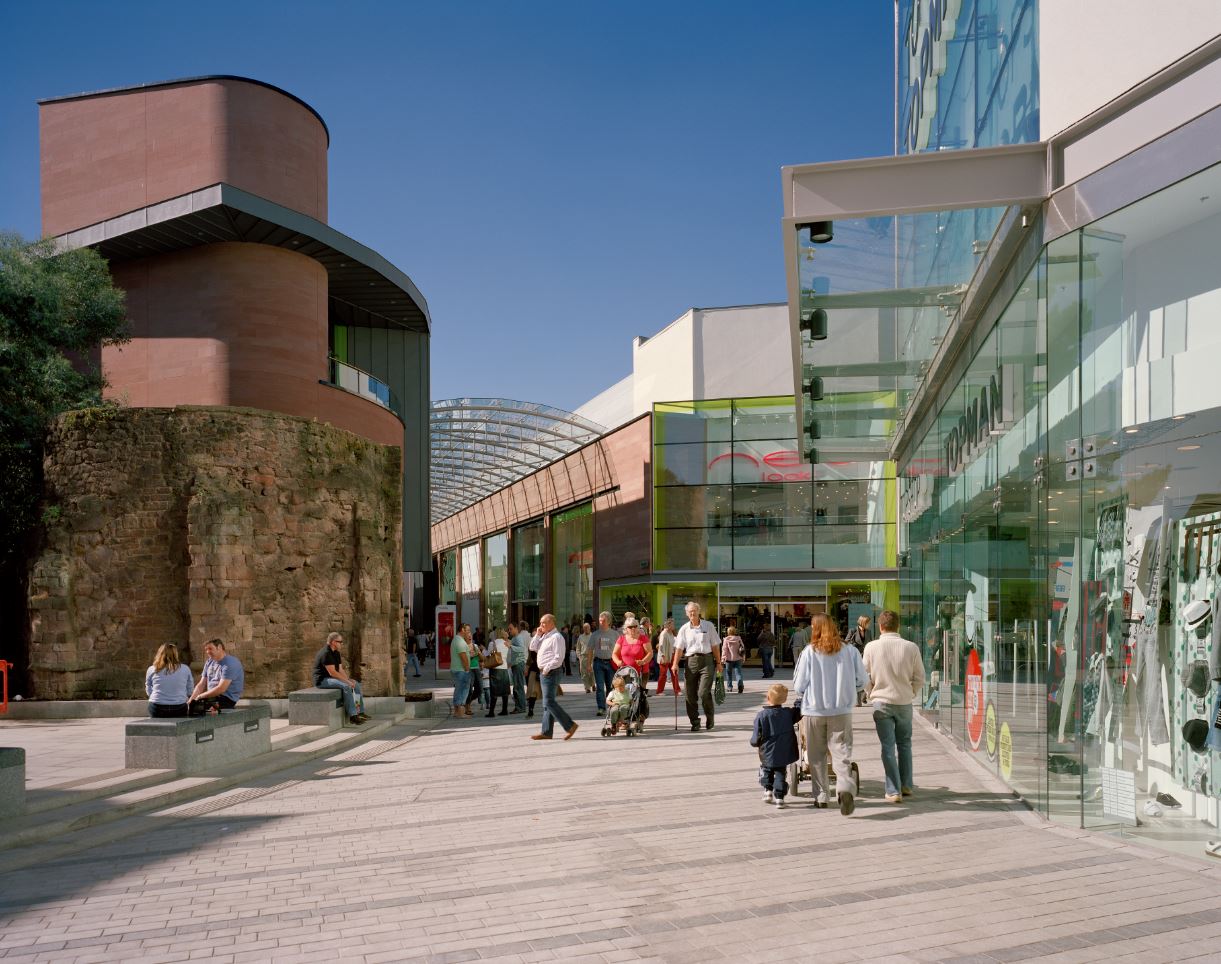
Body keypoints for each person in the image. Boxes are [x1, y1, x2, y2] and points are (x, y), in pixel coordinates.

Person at [792, 613, 867, 815]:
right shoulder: (850, 651)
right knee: (841, 752)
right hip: (841, 710)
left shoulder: (809, 652)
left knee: (816, 755)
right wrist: (850, 688)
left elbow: (799, 685)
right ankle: (844, 788)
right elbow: (863, 680)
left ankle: (822, 796)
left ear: (815, 629)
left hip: (814, 711)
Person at [863, 609, 925, 803]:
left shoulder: (871, 647)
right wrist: (911, 692)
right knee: (905, 744)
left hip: (881, 702)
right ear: (898, 626)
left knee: (887, 747)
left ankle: (892, 790)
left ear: (880, 626)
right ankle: (906, 784)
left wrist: (870, 693)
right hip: (904, 701)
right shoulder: (911, 647)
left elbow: (865, 676)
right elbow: (920, 677)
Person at [672, 601, 722, 732]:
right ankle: (695, 721)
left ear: (699, 611)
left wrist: (719, 663)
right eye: (690, 612)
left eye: (694, 611)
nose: (692, 613)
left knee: (703, 692)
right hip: (691, 661)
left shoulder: (708, 626)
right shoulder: (684, 629)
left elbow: (715, 645)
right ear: (687, 614)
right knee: (690, 695)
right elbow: (679, 648)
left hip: (707, 661)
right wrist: (675, 664)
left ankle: (710, 717)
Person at [751, 683, 801, 809]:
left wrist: (754, 742)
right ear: (784, 700)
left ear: (768, 698)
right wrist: (799, 701)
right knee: (780, 773)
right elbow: (798, 712)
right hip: (784, 751)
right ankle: (779, 797)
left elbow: (756, 735)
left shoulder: (761, 716)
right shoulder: (788, 714)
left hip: (767, 751)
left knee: (766, 770)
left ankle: (767, 791)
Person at [531, 614, 579, 741]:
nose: (541, 625)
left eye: (543, 623)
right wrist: (537, 634)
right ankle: (546, 732)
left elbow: (559, 657)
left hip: (551, 672)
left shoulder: (557, 637)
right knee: (547, 703)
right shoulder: (545, 636)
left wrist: (546, 669)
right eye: (540, 623)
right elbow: (532, 647)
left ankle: (570, 725)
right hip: (544, 673)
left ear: (552, 623)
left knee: (548, 702)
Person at [313, 632, 369, 726]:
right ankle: (353, 716)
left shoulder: (336, 653)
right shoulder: (326, 653)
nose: (342, 644)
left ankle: (360, 712)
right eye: (340, 642)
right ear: (334, 642)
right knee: (346, 686)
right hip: (322, 680)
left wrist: (349, 679)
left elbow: (339, 669)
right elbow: (332, 672)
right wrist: (346, 682)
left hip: (332, 678)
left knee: (356, 684)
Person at [187, 638, 244, 713]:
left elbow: (221, 689)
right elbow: (201, 684)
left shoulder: (230, 663)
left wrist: (200, 696)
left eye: (210, 648)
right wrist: (190, 701)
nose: (208, 652)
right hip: (212, 697)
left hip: (226, 699)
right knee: (190, 707)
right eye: (206, 649)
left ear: (219, 647)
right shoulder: (209, 662)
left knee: (197, 709)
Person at [145, 643, 194, 718]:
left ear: (160, 654)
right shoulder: (185, 669)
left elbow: (148, 686)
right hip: (179, 707)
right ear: (176, 654)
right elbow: (190, 689)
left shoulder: (152, 669)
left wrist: (153, 696)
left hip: (157, 707)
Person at [587, 611, 619, 714]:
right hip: (598, 663)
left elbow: (619, 650)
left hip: (610, 663)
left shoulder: (615, 634)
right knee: (600, 687)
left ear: (609, 621)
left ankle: (610, 706)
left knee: (610, 686)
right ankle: (601, 708)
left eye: (603, 621)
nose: (601, 622)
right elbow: (590, 650)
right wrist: (588, 664)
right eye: (600, 621)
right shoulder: (595, 634)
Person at [485, 627, 512, 717]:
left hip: (495, 668)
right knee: (505, 690)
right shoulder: (507, 643)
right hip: (504, 668)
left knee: (494, 690)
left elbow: (488, 654)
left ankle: (491, 711)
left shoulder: (492, 643)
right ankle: (504, 709)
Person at [451, 624, 473, 718]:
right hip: (462, 670)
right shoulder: (459, 641)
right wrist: (467, 669)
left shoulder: (456, 639)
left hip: (458, 669)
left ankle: (456, 711)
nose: (468, 632)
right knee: (463, 690)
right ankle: (460, 712)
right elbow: (463, 656)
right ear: (462, 630)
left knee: (458, 690)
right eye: (467, 630)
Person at [655, 618, 681, 696]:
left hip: (672, 655)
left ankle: (677, 690)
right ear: (668, 625)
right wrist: (662, 655)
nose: (674, 626)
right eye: (672, 624)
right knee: (663, 674)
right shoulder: (664, 633)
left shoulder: (671, 633)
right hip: (665, 656)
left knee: (674, 673)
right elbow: (661, 646)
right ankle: (659, 691)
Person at [507, 621, 528, 713]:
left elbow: (521, 649)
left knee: (518, 686)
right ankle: (519, 707)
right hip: (516, 664)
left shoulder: (518, 638)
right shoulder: (515, 638)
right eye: (508, 629)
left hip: (519, 664)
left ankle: (521, 707)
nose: (509, 631)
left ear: (516, 628)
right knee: (517, 686)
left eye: (511, 629)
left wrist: (511, 646)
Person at [722, 625, 746, 695]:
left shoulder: (726, 640)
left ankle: (729, 687)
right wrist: (743, 657)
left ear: (728, 632)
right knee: (738, 673)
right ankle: (740, 685)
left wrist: (723, 658)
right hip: (738, 658)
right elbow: (742, 648)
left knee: (729, 674)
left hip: (729, 660)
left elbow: (724, 650)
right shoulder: (738, 638)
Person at [576, 622, 594, 694]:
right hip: (583, 657)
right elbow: (578, 648)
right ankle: (587, 687)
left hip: (592, 656)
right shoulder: (580, 637)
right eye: (585, 628)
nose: (586, 629)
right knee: (584, 673)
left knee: (592, 672)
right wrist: (579, 656)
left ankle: (592, 684)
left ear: (590, 628)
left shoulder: (593, 636)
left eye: (587, 627)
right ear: (583, 629)